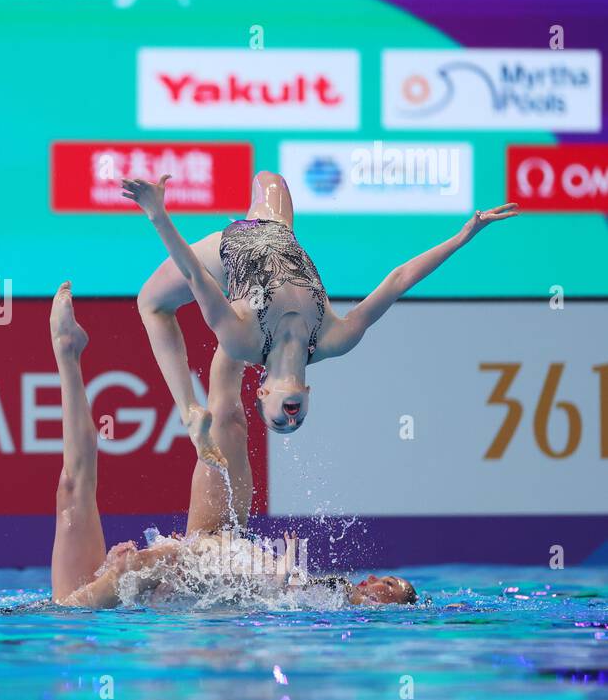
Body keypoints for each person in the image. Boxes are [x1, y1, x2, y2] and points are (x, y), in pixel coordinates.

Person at [47, 280, 416, 609]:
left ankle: (67, 352)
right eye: (384, 578)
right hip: (214, 546)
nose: (372, 580)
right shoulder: (327, 593)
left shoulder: (327, 610)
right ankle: (252, 303)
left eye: (388, 587)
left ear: (394, 610)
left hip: (154, 588)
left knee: (70, 491)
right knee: (229, 421)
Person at [120, 171, 518, 441]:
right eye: (298, 419)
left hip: (228, 248)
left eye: (281, 420)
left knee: (150, 303)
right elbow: (398, 280)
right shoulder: (335, 338)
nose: (291, 417)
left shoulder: (241, 340)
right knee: (269, 177)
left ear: (262, 393)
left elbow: (193, 274)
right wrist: (463, 236)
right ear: (308, 394)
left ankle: (189, 409)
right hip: (275, 228)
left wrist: (157, 214)